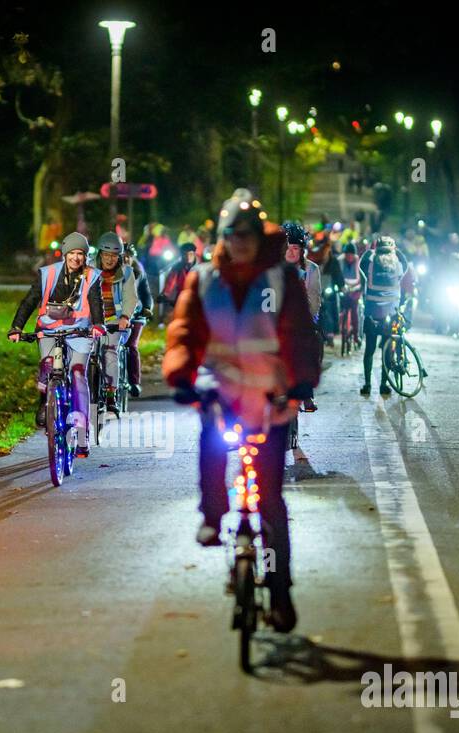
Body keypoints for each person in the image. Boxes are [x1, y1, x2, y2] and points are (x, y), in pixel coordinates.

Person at [163, 188, 322, 632]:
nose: (241, 242)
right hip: (221, 394)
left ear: (260, 235)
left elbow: (299, 337)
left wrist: (301, 383)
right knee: (211, 443)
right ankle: (212, 516)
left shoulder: (281, 279)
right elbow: (184, 333)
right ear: (223, 237)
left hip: (269, 400)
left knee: (271, 499)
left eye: (249, 234)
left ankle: (282, 590)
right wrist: (181, 378)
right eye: (233, 234)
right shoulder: (204, 279)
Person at [7, 231, 105, 452]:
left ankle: (81, 432)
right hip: (49, 330)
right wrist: (17, 327)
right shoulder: (47, 274)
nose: (76, 258)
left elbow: (96, 302)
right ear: (65, 253)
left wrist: (98, 324)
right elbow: (29, 301)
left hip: (80, 332)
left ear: (85, 256)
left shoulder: (92, 276)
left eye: (81, 254)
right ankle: (45, 401)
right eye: (73, 253)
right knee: (47, 366)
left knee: (78, 372)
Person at [358, 235, 410, 396]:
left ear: (377, 249)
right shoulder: (398, 264)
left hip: (372, 314)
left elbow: (361, 263)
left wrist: (370, 250)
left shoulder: (370, 263)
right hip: (391, 315)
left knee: (369, 350)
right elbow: (406, 265)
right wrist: (397, 251)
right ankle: (383, 384)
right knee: (387, 351)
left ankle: (367, 384)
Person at [91, 231, 136, 412]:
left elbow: (130, 297)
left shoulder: (126, 272)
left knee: (110, 352)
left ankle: (111, 395)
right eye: (106, 254)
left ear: (119, 257)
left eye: (114, 255)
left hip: (114, 321)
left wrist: (125, 317)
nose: (109, 259)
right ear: (100, 254)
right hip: (92, 321)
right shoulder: (88, 270)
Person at [282, 220, 323, 411]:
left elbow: (314, 300)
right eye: (287, 247)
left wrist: (309, 322)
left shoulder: (311, 270)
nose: (291, 252)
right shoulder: (272, 270)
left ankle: (307, 393)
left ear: (302, 250)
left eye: (295, 248)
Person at [122, 241, 153, 396]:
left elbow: (146, 294)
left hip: (136, 315)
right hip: (117, 315)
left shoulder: (138, 272)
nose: (126, 259)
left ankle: (134, 382)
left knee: (131, 346)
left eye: (129, 257)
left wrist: (147, 308)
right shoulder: (111, 272)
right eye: (123, 256)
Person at [159, 242, 200, 310]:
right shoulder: (177, 267)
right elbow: (171, 281)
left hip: (196, 297)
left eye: (190, 254)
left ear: (194, 254)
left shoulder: (200, 268)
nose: (188, 257)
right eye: (185, 254)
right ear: (181, 255)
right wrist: (165, 294)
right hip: (181, 296)